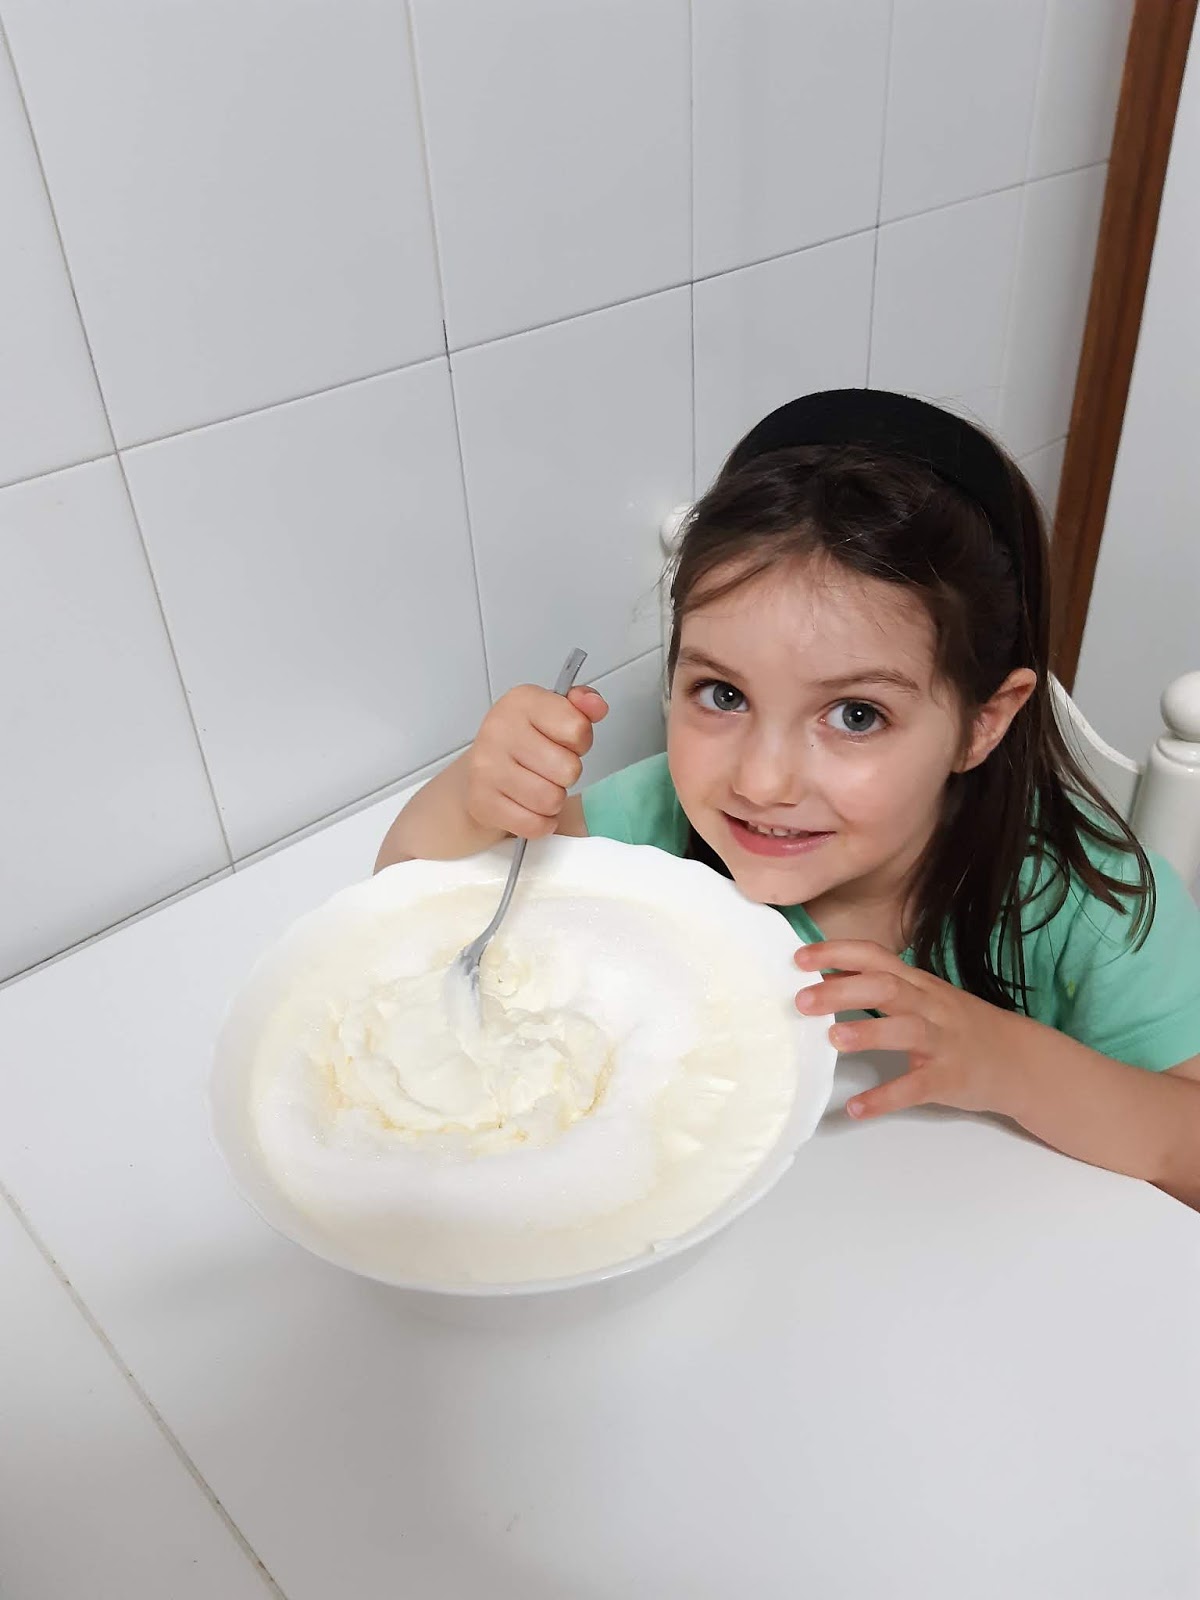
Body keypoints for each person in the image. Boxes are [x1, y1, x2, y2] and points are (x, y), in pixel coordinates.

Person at [377, 389, 1200, 1206]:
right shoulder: (659, 818)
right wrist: (475, 802)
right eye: (723, 695)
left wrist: (1007, 1063)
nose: (762, 783)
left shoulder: (1090, 906)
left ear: (983, 723)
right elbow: (414, 927)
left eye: (855, 715)